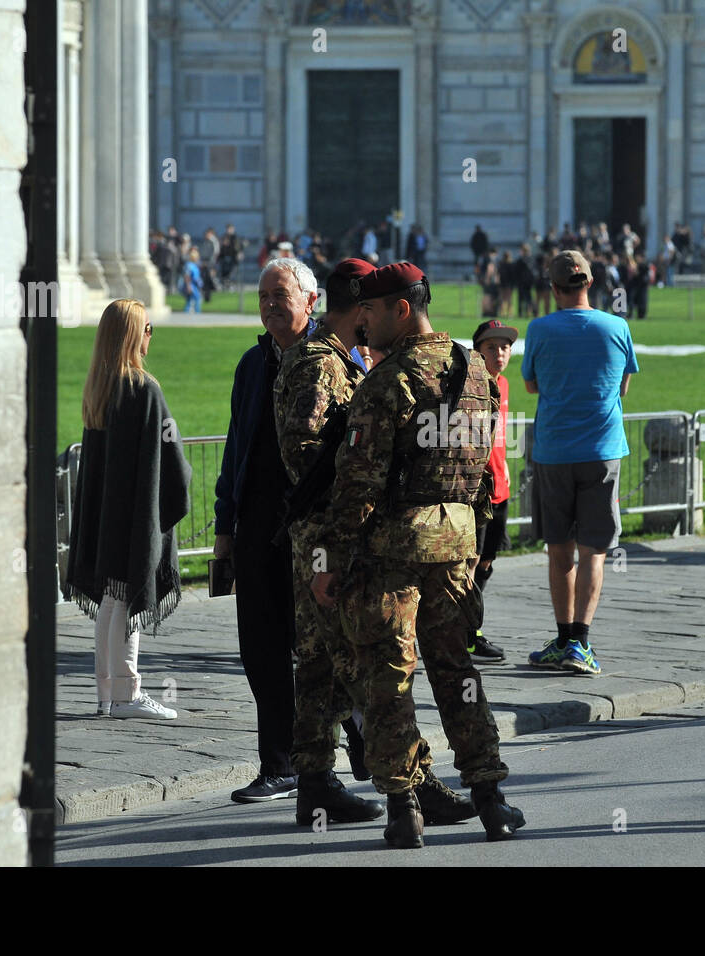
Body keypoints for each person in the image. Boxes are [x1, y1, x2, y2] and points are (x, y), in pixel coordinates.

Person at [309, 262, 524, 847]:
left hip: (393, 551)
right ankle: (491, 798)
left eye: (371, 311)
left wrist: (328, 560)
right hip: (454, 544)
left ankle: (404, 809)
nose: (362, 323)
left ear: (402, 308)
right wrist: (472, 539)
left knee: (389, 677)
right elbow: (483, 474)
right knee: (457, 673)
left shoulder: (388, 382)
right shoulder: (474, 370)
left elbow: (357, 487)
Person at [274, 257, 473, 826]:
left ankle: (318, 782)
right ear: (357, 309)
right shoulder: (322, 365)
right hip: (327, 536)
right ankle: (413, 784)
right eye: (366, 309)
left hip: (331, 531)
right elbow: (306, 453)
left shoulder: (335, 359)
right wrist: (364, 484)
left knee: (325, 668)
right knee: (368, 667)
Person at [214, 257, 318, 803]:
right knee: (261, 649)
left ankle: (351, 739)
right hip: (257, 528)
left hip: (313, 531)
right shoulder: (252, 364)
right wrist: (224, 526)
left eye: (281, 295)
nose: (271, 304)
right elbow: (236, 450)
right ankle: (278, 765)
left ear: (310, 301)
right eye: (264, 296)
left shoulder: (333, 362)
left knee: (322, 647)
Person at [64, 300, 192, 719]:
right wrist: (181, 484)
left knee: (110, 601)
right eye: (148, 328)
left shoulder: (99, 389)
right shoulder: (143, 388)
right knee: (127, 597)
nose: (152, 335)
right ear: (133, 335)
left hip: (106, 515)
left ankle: (107, 693)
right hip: (134, 514)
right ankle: (127, 694)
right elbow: (169, 460)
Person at [521, 251, 639, 676]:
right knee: (595, 552)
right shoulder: (617, 326)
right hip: (603, 449)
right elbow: (623, 386)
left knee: (559, 550)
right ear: (591, 283)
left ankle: (564, 636)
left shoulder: (540, 328)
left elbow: (532, 384)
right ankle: (582, 643)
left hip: (553, 450)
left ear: (553, 289)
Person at [465, 319, 517, 665]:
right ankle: (468, 634)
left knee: (486, 561)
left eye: (504, 347)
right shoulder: (472, 385)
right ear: (477, 352)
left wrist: (505, 465)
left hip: (500, 486)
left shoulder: (505, 384)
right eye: (490, 347)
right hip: (478, 491)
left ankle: (468, 629)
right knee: (468, 564)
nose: (499, 353)